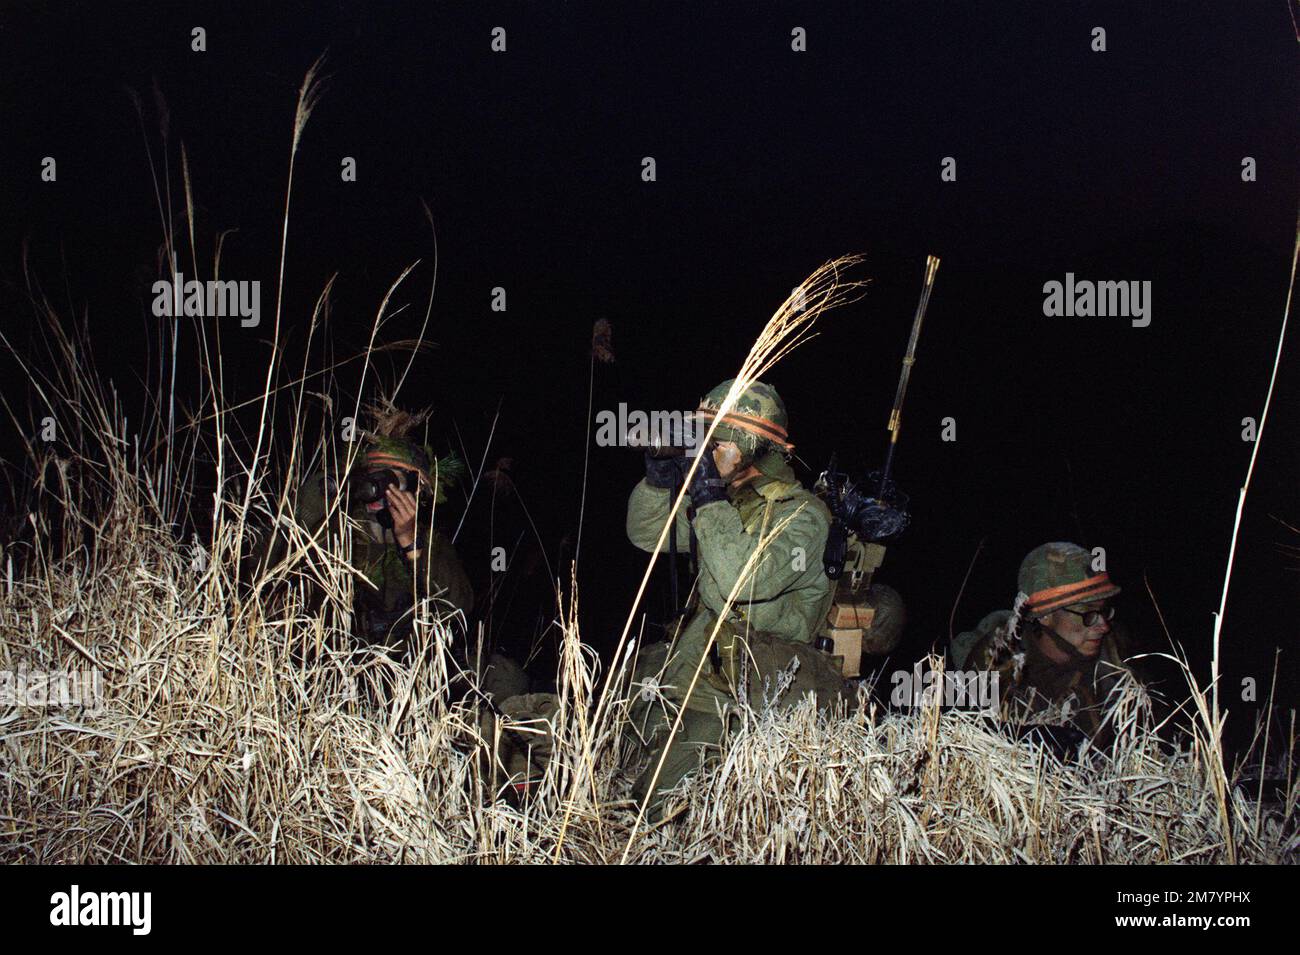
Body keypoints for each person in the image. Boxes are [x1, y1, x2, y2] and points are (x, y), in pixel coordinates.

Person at [625, 379, 847, 820]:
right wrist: (658, 482)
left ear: (757, 446)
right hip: (702, 661)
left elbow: (741, 582)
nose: (706, 450)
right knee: (629, 735)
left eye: (717, 439)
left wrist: (706, 495)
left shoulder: (801, 516)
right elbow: (647, 534)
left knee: (658, 804)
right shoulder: (729, 502)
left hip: (763, 681)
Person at [950, 541, 1140, 738]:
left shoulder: (1116, 658)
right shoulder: (995, 664)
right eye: (1088, 614)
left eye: (1104, 611)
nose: (1103, 626)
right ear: (1044, 615)